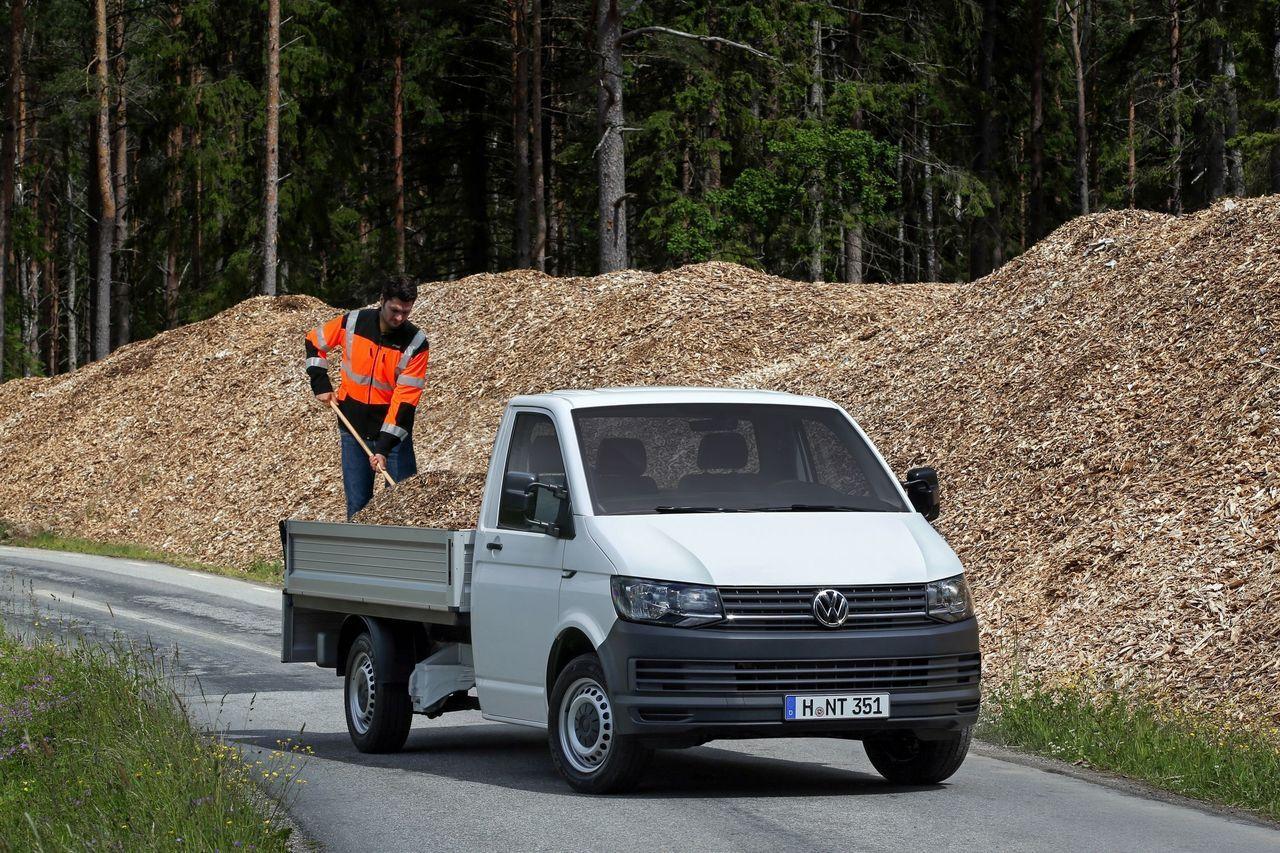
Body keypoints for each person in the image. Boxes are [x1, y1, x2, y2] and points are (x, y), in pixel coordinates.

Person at [305, 275, 429, 519]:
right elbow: (314, 341)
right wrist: (320, 383)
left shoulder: (416, 343)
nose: (399, 318)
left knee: (402, 506)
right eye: (394, 310)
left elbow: (405, 401)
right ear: (381, 300)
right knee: (358, 509)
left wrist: (383, 447)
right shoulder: (353, 322)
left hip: (393, 435)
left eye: (405, 312)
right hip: (353, 428)